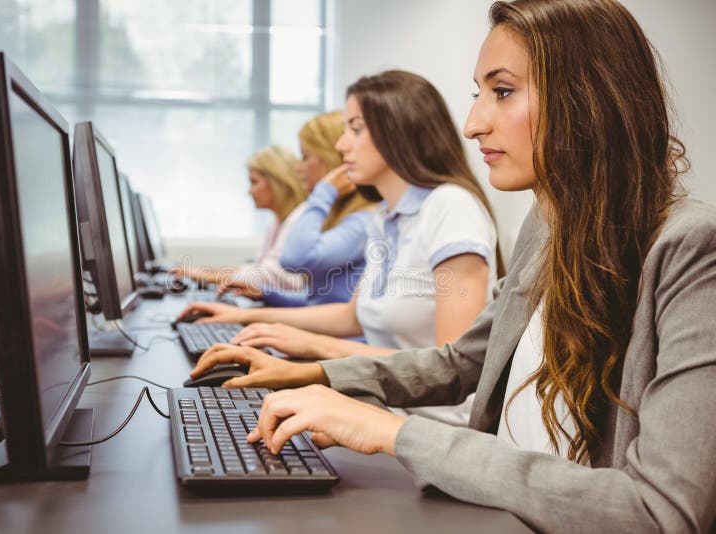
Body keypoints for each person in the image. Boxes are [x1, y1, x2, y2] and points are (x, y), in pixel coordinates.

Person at [188, 0, 716, 530]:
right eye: (477, 93)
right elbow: (462, 361)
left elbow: (660, 511)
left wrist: (391, 433)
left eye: (502, 92)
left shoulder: (690, 250)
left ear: (589, 101)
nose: (472, 123)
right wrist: (318, 375)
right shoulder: (548, 226)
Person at [182, 70, 504, 424]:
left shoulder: (451, 208)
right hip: (382, 406)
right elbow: (350, 316)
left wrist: (316, 348)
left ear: (398, 131)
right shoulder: (385, 217)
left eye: (355, 129)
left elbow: (452, 366)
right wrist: (249, 318)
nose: (341, 145)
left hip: (434, 429)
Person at [217, 111, 377, 307]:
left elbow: (294, 260)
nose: (298, 168)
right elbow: (316, 303)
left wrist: (325, 191)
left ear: (333, 161)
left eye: (305, 157)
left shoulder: (362, 224)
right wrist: (265, 294)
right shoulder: (340, 219)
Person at [178, 145, 308, 293]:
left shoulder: (300, 218)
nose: (249, 191)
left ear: (277, 182)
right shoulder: (276, 223)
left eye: (254, 182)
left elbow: (271, 276)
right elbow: (258, 268)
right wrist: (208, 272)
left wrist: (208, 277)